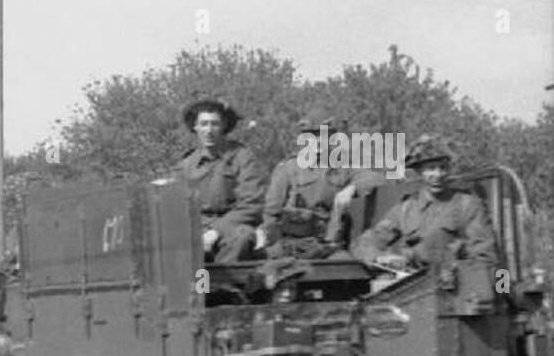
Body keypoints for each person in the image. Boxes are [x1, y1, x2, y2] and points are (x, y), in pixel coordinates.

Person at [356, 135, 498, 294]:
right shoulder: (406, 209)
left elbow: (485, 257)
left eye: (443, 167)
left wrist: (413, 257)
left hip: (455, 290)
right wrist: (380, 258)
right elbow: (367, 243)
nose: (437, 174)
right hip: (413, 290)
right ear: (419, 171)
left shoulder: (468, 205)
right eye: (431, 168)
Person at [175, 97, 264, 262]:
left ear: (224, 127)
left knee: (242, 237)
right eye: (203, 124)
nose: (208, 130)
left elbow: (252, 203)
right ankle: (196, 286)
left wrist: (216, 231)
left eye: (214, 124)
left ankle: (223, 286)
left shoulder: (242, 157)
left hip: (231, 226)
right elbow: (177, 206)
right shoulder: (186, 165)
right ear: (195, 127)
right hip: (196, 228)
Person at [262, 114, 358, 258]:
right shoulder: (289, 169)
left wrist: (353, 187)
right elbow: (271, 212)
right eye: (313, 136)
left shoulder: (343, 168)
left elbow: (374, 177)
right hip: (292, 244)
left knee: (345, 266)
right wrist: (273, 242)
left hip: (327, 245)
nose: (318, 141)